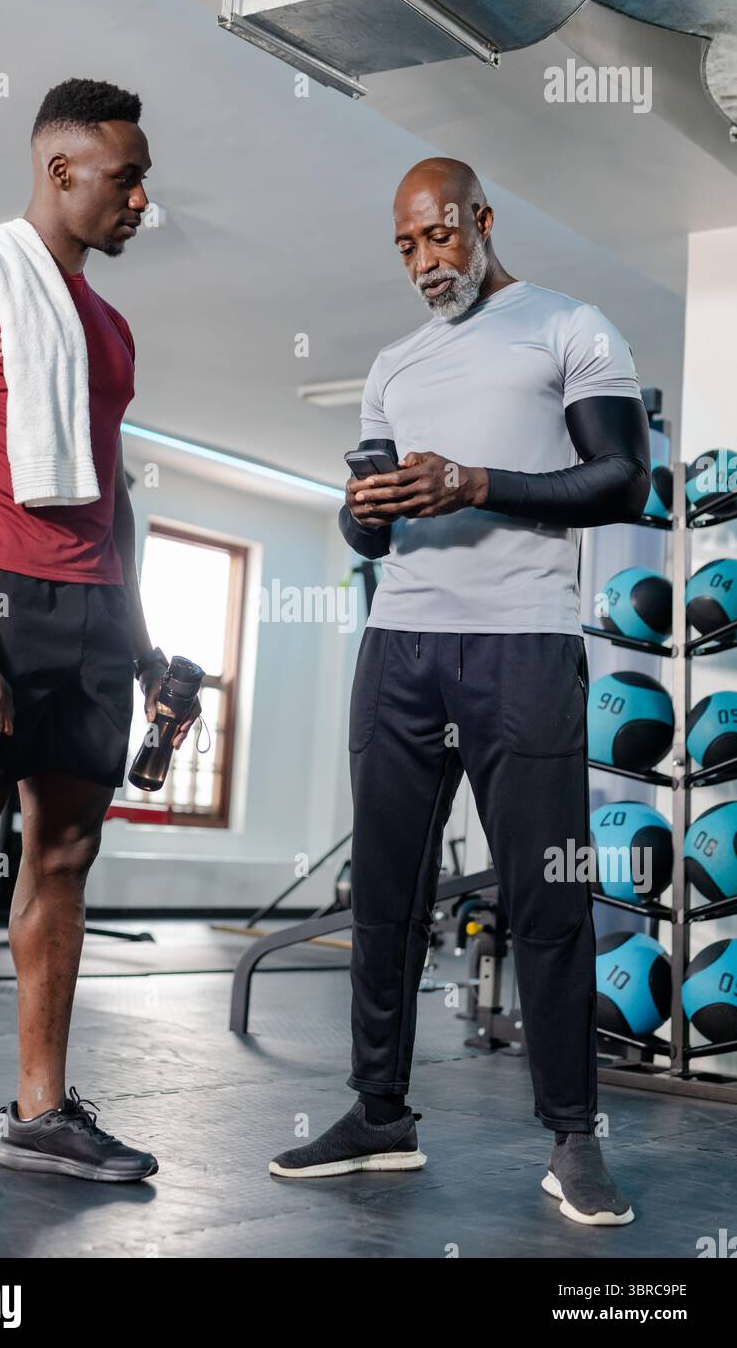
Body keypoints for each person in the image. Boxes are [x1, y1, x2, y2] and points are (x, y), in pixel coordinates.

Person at [270, 157, 649, 1227]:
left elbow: (621, 477)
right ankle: (377, 1112)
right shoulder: (392, 364)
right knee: (383, 895)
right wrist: (368, 508)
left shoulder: (573, 325)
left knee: (547, 896)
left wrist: (476, 481)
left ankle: (574, 1138)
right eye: (405, 247)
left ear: (481, 222)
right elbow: (367, 523)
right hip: (400, 644)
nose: (425, 262)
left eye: (439, 237)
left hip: (521, 644)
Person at [0, 78, 197, 1204]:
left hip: (97, 608)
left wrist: (145, 641)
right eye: (126, 177)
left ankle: (40, 1111)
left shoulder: (107, 326)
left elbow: (114, 493)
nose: (142, 199)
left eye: (144, 178)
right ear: (62, 171)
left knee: (64, 853)